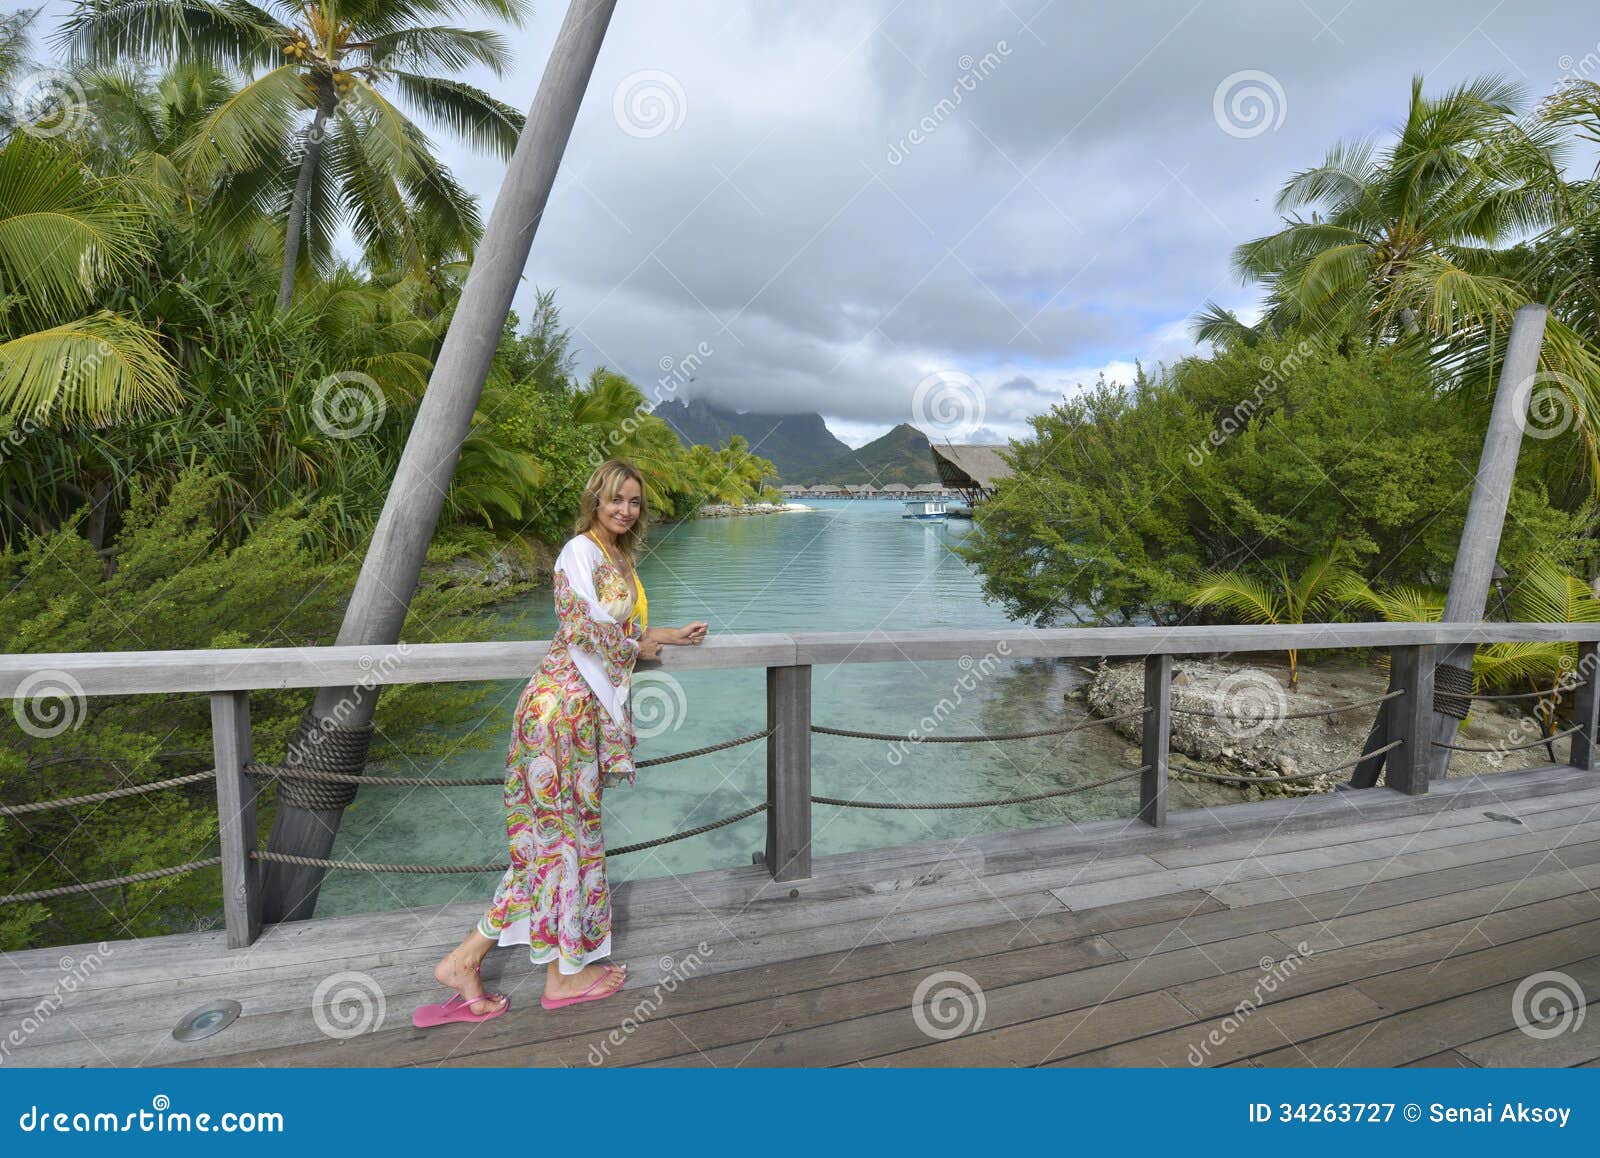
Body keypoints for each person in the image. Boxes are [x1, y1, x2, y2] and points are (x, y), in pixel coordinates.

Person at [426, 459, 709, 1019]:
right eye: (615, 499)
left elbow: (614, 628)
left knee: (562, 841)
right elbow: (578, 625)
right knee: (559, 841)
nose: (625, 510)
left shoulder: (620, 558)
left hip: (580, 715)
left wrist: (665, 635)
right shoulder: (578, 551)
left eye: (633, 501)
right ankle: (551, 975)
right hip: (558, 712)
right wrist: (637, 648)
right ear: (595, 501)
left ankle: (506, 963)